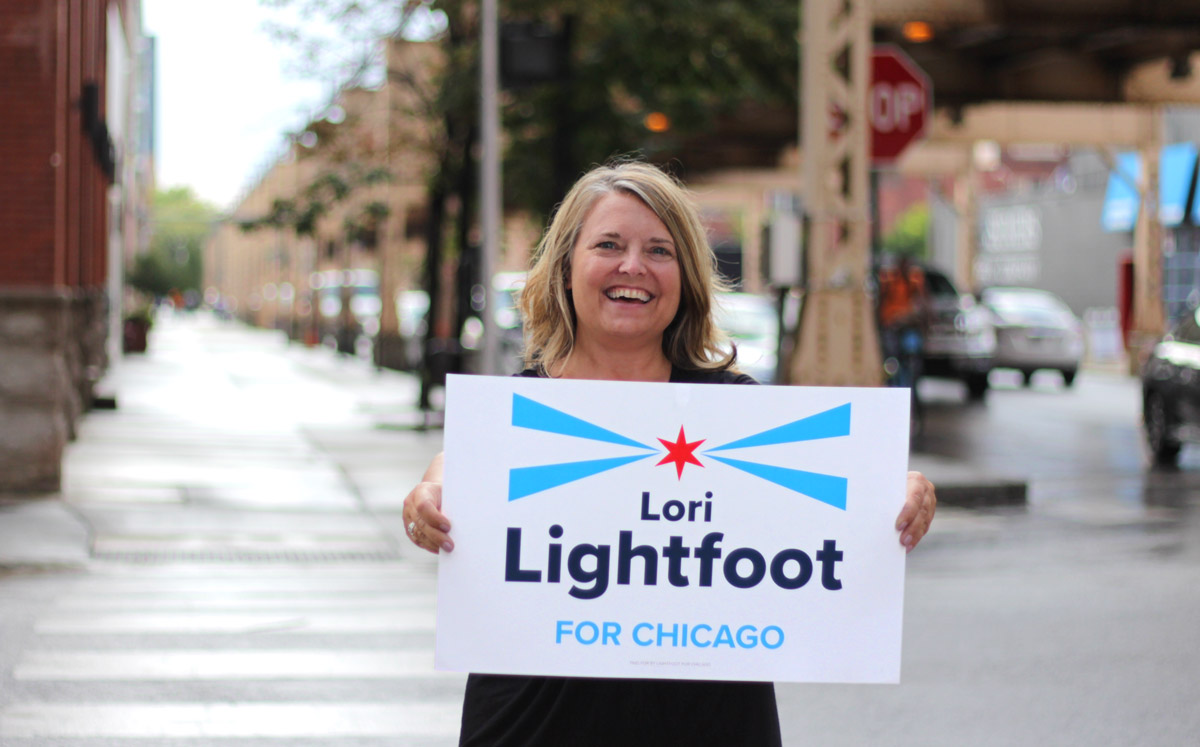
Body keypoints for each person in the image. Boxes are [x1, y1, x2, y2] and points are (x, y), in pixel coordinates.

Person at [403, 161, 938, 746]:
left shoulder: (736, 409)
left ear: (684, 276)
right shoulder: (521, 405)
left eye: (659, 250)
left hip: (707, 722)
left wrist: (902, 490)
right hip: (532, 720)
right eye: (609, 244)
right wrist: (430, 492)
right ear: (566, 266)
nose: (633, 266)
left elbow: (848, 490)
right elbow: (460, 468)